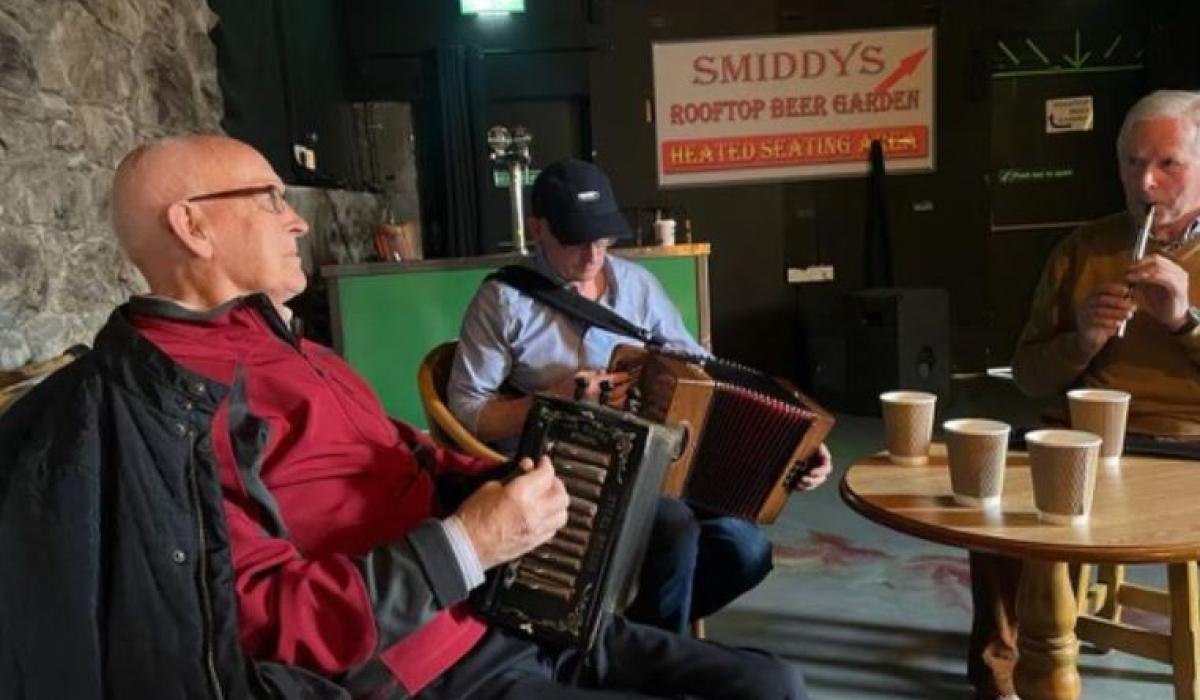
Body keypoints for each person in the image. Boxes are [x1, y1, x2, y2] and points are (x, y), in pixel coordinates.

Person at [0, 135, 808, 699]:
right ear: (192, 224)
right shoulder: (159, 407)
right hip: (428, 669)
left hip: (502, 612)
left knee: (773, 678)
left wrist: (519, 485)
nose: (298, 219)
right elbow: (275, 627)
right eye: (271, 198)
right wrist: (472, 540)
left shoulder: (291, 343)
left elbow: (414, 456)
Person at [448, 158, 833, 634]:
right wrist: (554, 398)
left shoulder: (638, 286)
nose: (592, 256)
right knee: (675, 530)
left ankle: (629, 632)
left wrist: (793, 449)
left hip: (665, 466)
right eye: (575, 239)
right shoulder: (504, 300)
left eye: (603, 237)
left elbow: (707, 379)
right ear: (538, 229)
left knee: (747, 550)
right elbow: (468, 414)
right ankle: (655, 655)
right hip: (575, 473)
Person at [971, 89, 1200, 700]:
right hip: (1089, 437)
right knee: (996, 495)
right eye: (1132, 162)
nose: (1144, 182)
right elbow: (1027, 375)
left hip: (1188, 443)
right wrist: (1083, 339)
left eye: (1168, 164)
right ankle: (1001, 674)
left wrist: (1185, 321)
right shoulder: (1084, 249)